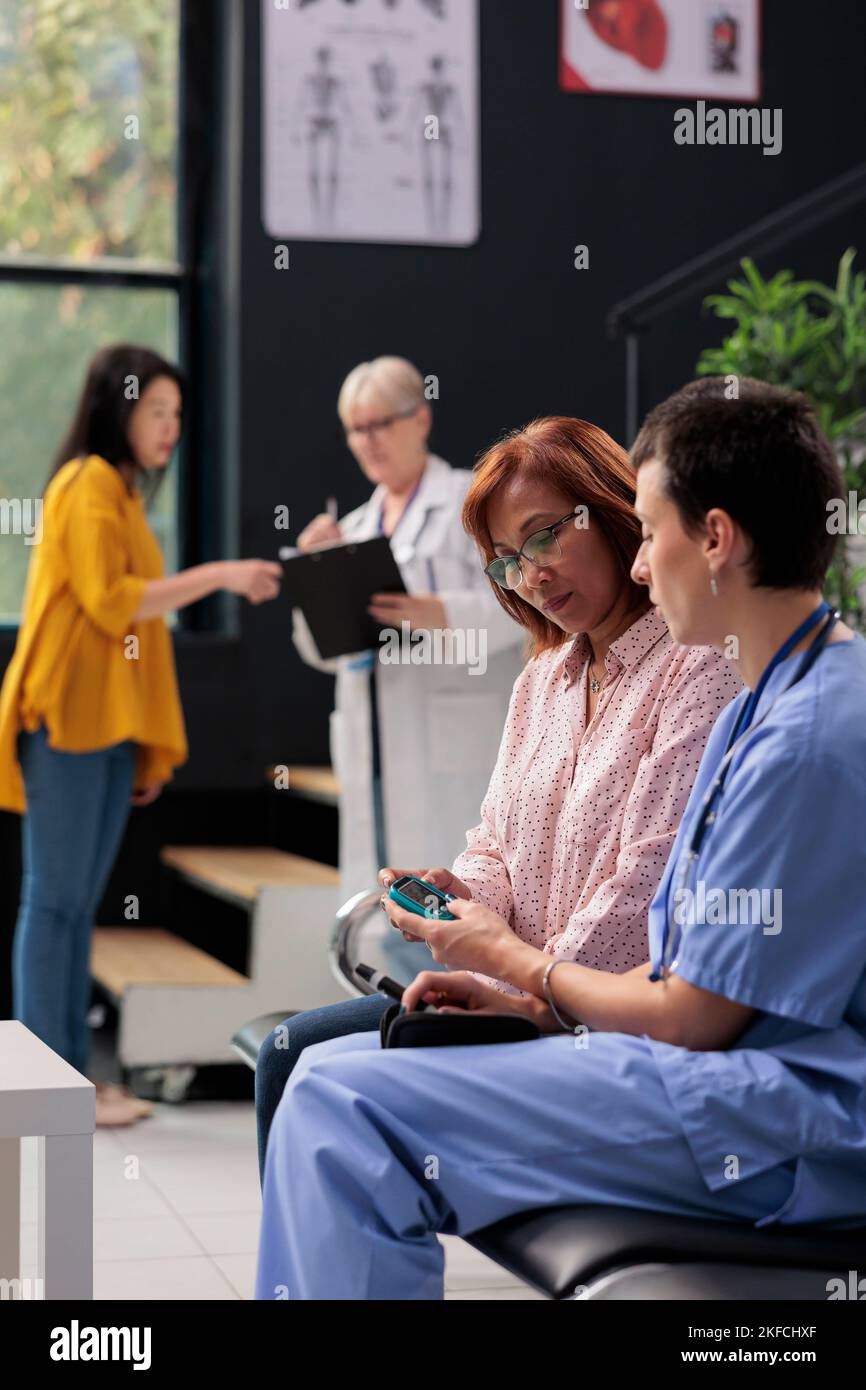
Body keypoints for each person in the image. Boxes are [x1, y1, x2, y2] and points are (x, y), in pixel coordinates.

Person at [256, 378, 866, 1299]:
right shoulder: (778, 697)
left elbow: (692, 1010)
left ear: (714, 538)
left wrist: (522, 975)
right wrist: (501, 954)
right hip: (690, 1057)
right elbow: (666, 958)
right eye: (510, 558)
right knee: (318, 1076)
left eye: (648, 531)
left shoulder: (798, 727)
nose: (639, 569)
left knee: (340, 1104)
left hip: (769, 1112)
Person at [255, 413, 740, 1178]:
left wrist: (525, 986)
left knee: (302, 1068)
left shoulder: (696, 670)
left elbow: (646, 885)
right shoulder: (545, 680)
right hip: (509, 990)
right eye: (508, 560)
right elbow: (495, 843)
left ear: (614, 510)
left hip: (592, 1022)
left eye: (546, 536)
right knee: (290, 1051)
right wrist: (458, 894)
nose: (533, 574)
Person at [0, 344, 282, 1126]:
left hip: (104, 727)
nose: (171, 428)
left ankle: (70, 1080)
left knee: (71, 906)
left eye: (178, 415)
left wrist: (143, 741)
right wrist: (222, 574)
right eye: (157, 411)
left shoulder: (118, 493)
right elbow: (116, 603)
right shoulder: (86, 482)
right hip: (68, 720)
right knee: (53, 904)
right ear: (116, 408)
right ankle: (48, 1081)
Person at [291, 355, 525, 902]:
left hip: (455, 737)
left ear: (420, 419)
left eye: (380, 424)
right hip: (373, 738)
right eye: (356, 429)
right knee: (386, 905)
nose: (368, 441)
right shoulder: (351, 530)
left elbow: (524, 602)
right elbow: (317, 651)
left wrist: (440, 614)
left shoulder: (474, 502)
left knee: (460, 897)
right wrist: (315, 579)